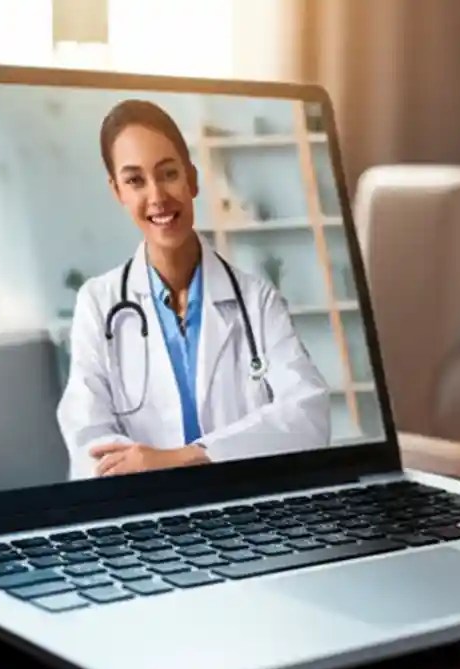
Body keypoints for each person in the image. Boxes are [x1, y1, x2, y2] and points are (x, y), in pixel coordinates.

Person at [56, 100, 331, 479]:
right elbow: (89, 438)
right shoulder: (98, 304)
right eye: (135, 180)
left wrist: (182, 457)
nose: (156, 197)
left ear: (193, 178)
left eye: (168, 174)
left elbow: (308, 413)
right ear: (117, 190)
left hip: (247, 504)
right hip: (146, 515)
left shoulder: (256, 301)